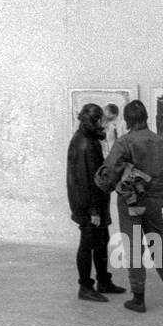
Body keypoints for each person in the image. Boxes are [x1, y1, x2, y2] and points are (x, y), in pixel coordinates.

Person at [98, 99, 163, 313]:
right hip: (154, 202)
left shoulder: (124, 143)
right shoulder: (160, 142)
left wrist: (102, 182)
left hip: (129, 202)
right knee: (157, 245)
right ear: (145, 117)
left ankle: (138, 298)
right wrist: (160, 199)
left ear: (127, 120)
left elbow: (110, 173)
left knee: (134, 249)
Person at [67, 104, 125, 302]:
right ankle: (85, 287)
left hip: (93, 203)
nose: (104, 123)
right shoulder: (86, 144)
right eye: (102, 119)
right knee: (88, 244)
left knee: (101, 242)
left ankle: (103, 281)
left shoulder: (85, 139)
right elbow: (87, 180)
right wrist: (94, 211)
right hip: (89, 205)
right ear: (95, 120)